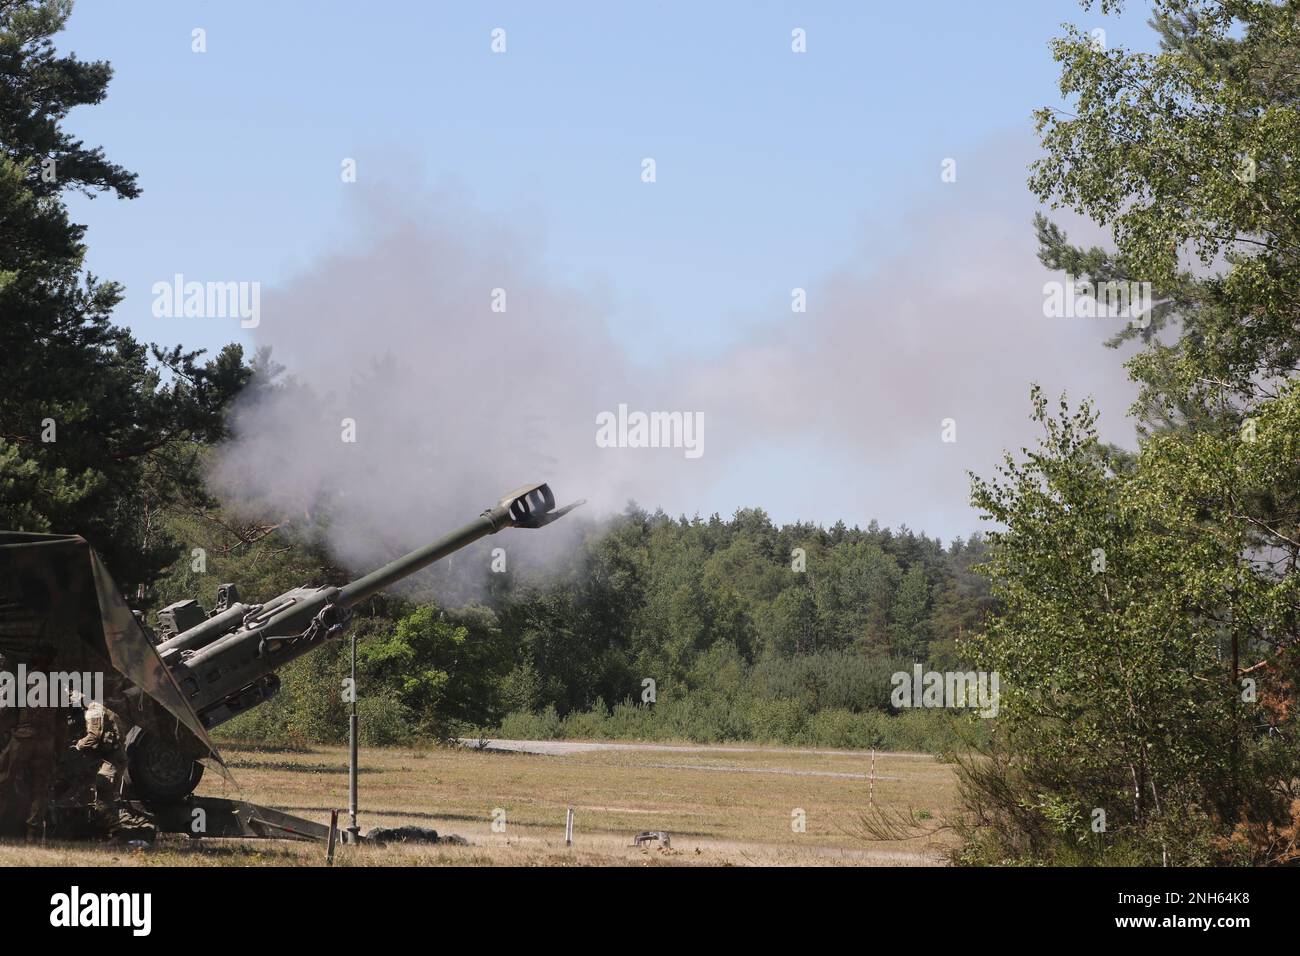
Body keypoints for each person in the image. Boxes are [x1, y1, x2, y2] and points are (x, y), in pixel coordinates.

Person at [0, 645, 65, 842]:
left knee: (3, 781)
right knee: (40, 788)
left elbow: (7, 709)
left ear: (34, 658)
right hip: (46, 740)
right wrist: (58, 750)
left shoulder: (24, 679)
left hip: (23, 737)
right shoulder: (57, 684)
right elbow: (62, 721)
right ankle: (33, 834)